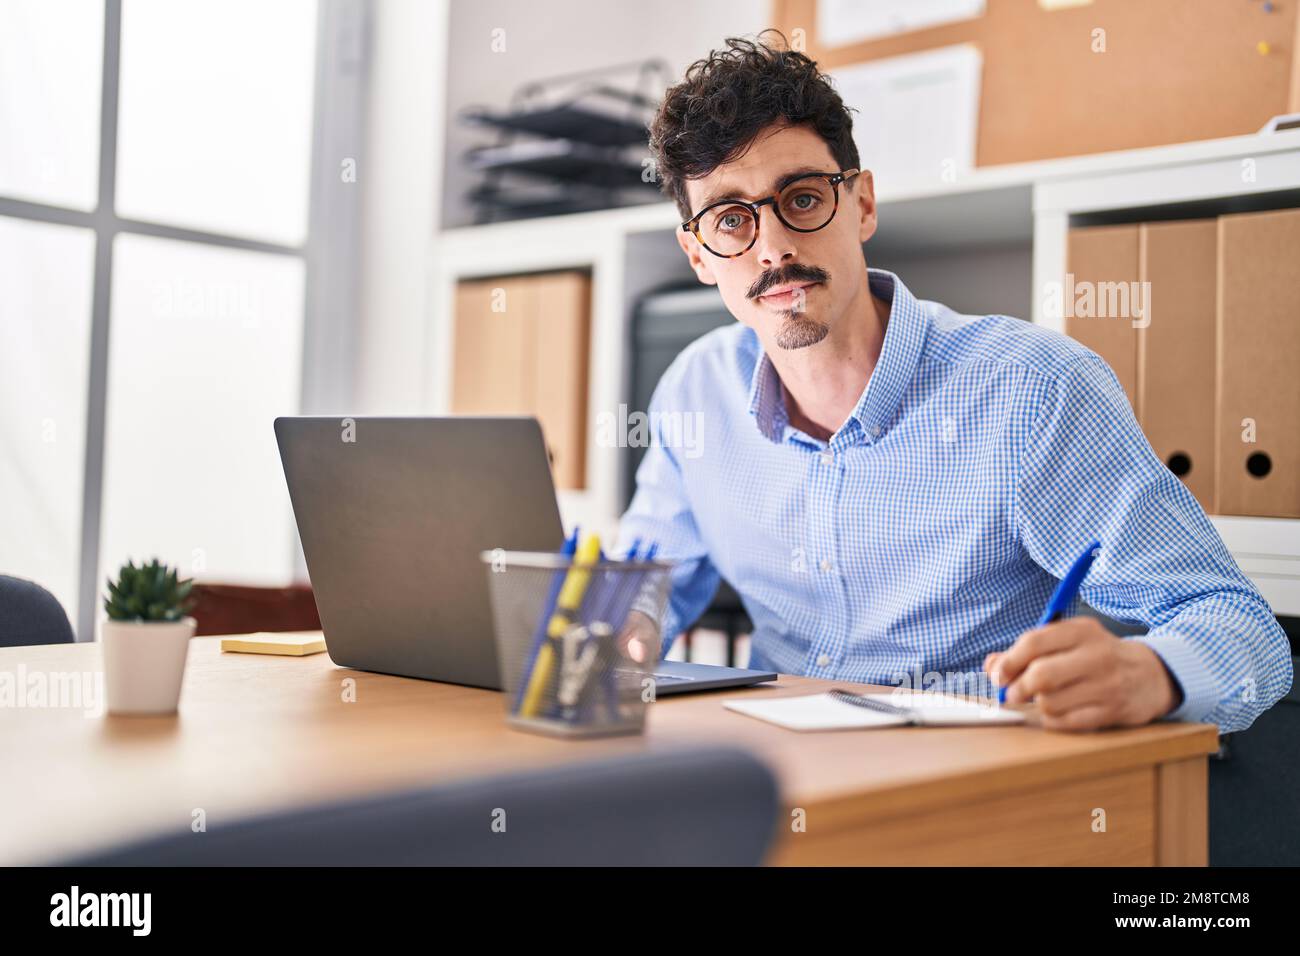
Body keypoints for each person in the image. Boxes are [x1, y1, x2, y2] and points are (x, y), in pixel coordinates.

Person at [616, 31, 1291, 733]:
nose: (775, 247)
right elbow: (649, 576)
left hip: (966, 780)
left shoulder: (1034, 391)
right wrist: (623, 628)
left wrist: (1150, 674)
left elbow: (1245, 631)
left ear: (862, 205)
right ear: (698, 254)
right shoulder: (697, 389)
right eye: (732, 220)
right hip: (770, 769)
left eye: (804, 198)